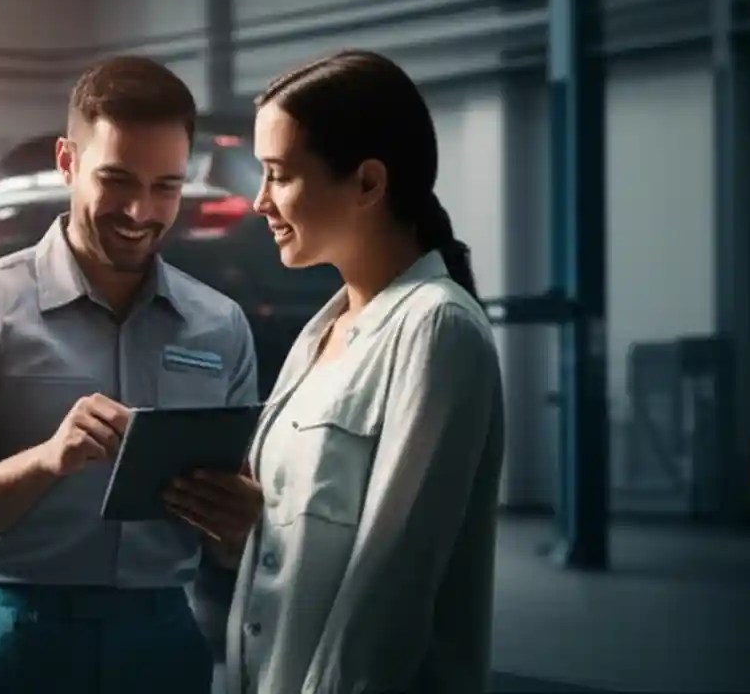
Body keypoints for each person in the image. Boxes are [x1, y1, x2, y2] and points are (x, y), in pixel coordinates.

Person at [0, 55, 263, 694]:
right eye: (116, 180)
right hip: (10, 638)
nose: (141, 210)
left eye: (166, 186)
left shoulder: (220, 326)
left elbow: (234, 545)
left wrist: (240, 525)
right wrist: (45, 462)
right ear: (67, 162)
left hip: (163, 640)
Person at [167, 50, 505, 694]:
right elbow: (313, 547)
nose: (259, 201)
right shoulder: (321, 333)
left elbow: (390, 587)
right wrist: (250, 525)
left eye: (278, 175)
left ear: (369, 183)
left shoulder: (436, 329)